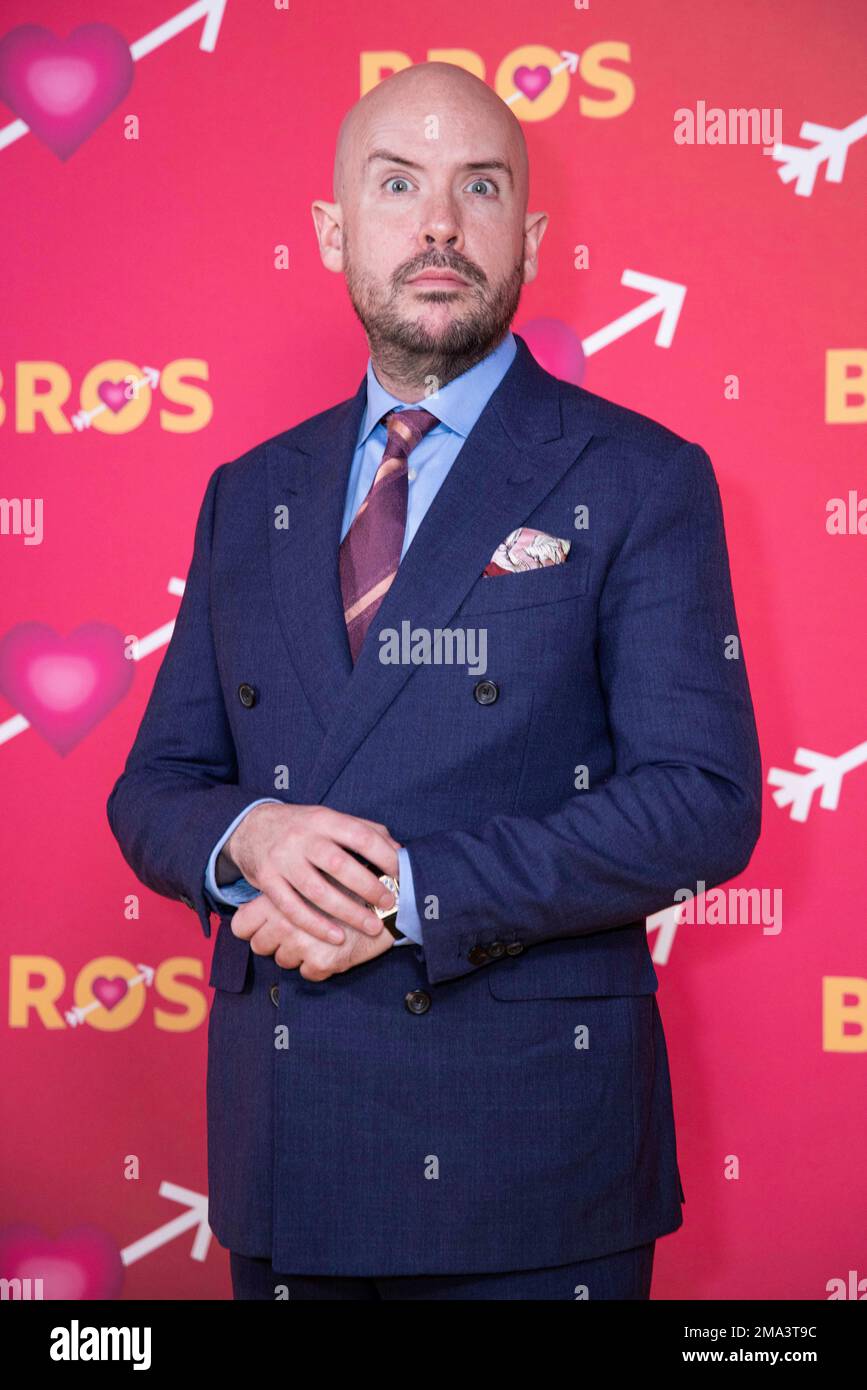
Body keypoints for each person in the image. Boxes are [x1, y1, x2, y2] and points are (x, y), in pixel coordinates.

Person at [107, 61, 761, 1301]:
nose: (441, 223)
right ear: (334, 230)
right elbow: (156, 786)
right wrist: (252, 832)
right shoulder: (249, 494)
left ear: (531, 234)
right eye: (398, 184)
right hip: (290, 1150)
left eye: (481, 186)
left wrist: (409, 889)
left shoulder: (639, 476)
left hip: (533, 1166)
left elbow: (702, 800)